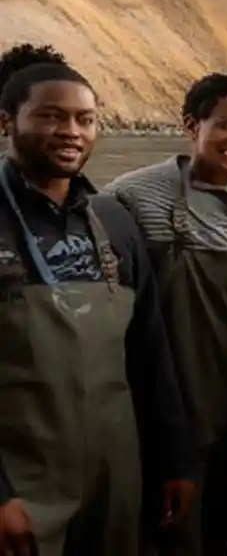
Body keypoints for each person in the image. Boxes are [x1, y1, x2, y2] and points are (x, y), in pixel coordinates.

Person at [0, 53, 197, 555]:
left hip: (116, 478)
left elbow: (151, 352)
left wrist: (174, 460)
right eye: (51, 116)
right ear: (6, 123)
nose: (72, 131)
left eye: (85, 119)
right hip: (23, 482)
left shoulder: (114, 219)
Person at [105, 73, 227, 556]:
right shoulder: (131, 197)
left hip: (223, 393)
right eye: (226, 125)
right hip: (149, 393)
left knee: (217, 523)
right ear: (191, 125)